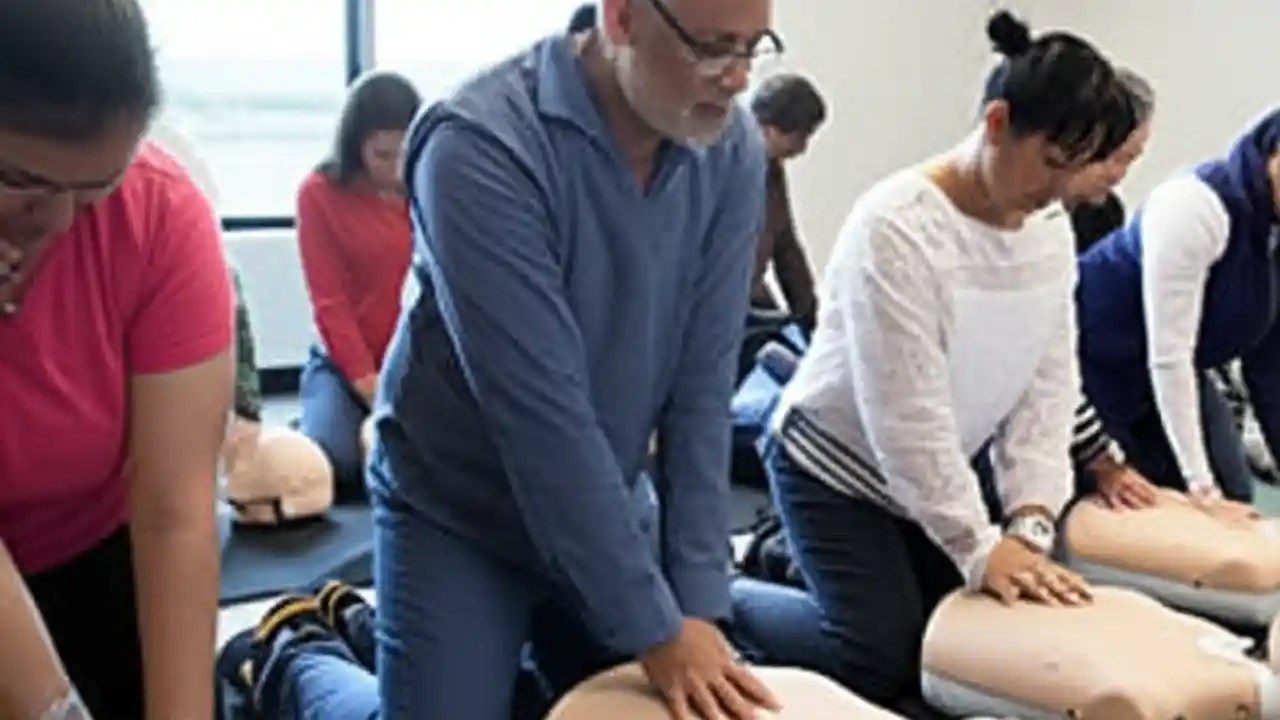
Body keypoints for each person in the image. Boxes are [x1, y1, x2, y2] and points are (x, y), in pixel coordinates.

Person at [230, 1, 785, 720]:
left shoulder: (730, 147)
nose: (738, 79)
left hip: (607, 498)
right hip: (462, 509)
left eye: (753, 47)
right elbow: (540, 419)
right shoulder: (478, 143)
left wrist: (700, 606)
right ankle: (294, 654)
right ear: (621, 18)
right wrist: (654, 627)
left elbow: (704, 390)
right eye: (712, 48)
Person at [727, 11, 1135, 717]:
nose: (1061, 188)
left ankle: (799, 561)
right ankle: (721, 587)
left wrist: (1030, 520)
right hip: (834, 463)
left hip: (923, 476)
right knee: (879, 657)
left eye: (1079, 168)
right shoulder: (897, 226)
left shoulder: (1046, 228)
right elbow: (905, 416)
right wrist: (976, 545)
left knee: (955, 637)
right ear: (999, 122)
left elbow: (1049, 383)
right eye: (1052, 162)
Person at [0, 1, 235, 718]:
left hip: (92, 555)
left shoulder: (159, 216)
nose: (64, 221)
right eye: (26, 184)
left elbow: (174, 511)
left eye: (94, 190)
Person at [1073, 108, 1280, 515]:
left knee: (1236, 496)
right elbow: (1169, 356)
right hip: (1096, 365)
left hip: (1176, 373)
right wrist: (1201, 489)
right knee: (1135, 508)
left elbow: (1271, 363)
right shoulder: (1195, 204)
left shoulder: (1273, 231)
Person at [296, 71, 421, 499]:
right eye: (382, 155)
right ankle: (316, 417)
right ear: (357, 145)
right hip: (343, 366)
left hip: (412, 362)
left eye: (404, 154)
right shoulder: (319, 194)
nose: (395, 168)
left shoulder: (427, 188)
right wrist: (373, 392)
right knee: (340, 464)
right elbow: (331, 306)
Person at [748, 73, 825, 332]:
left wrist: (812, 322)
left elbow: (787, 250)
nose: (803, 148)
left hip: (753, 305)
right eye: (800, 136)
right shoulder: (720, 166)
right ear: (769, 130)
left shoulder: (772, 172)